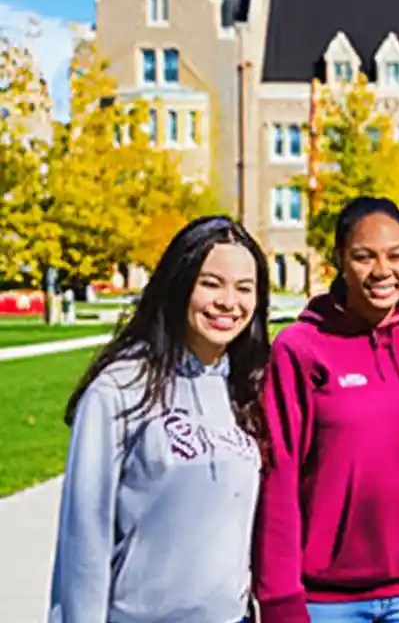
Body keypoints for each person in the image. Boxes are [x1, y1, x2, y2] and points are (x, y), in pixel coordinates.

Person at [49, 215, 270, 623]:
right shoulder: (120, 389)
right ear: (179, 283)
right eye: (211, 283)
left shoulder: (247, 389)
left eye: (244, 288)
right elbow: (85, 541)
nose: (228, 302)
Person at [253, 197, 399, 623]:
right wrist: (278, 596)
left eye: (397, 256)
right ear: (340, 261)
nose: (383, 271)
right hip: (325, 600)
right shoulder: (300, 348)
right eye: (364, 257)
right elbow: (278, 474)